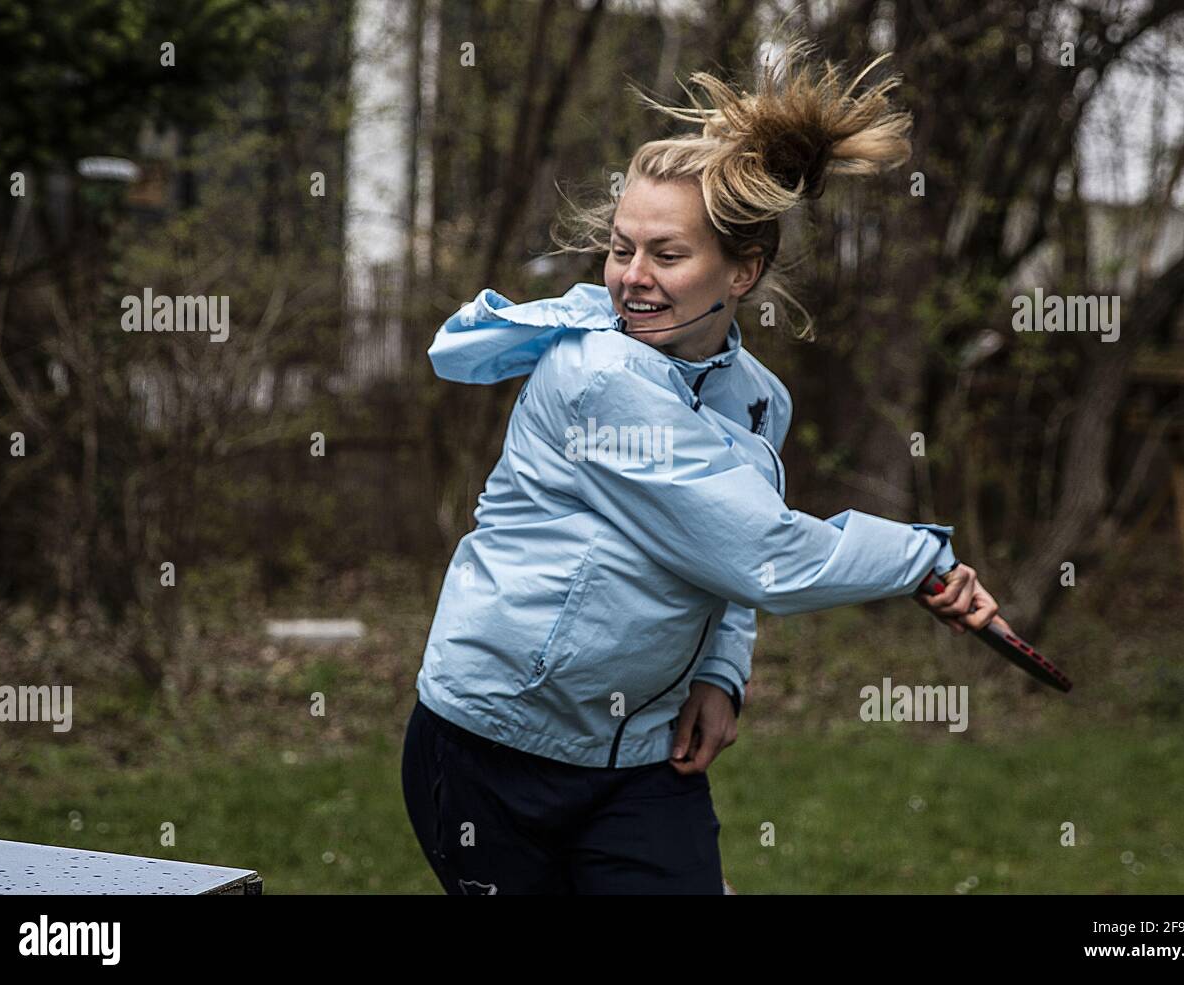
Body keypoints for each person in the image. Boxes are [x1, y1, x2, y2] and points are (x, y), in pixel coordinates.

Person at [401, 35, 1007, 895]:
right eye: (621, 248)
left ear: (743, 271)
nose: (632, 278)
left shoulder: (757, 399)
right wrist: (923, 557)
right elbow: (766, 556)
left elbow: (716, 562)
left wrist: (721, 674)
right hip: (490, 749)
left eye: (666, 254)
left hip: (638, 756)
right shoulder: (597, 377)